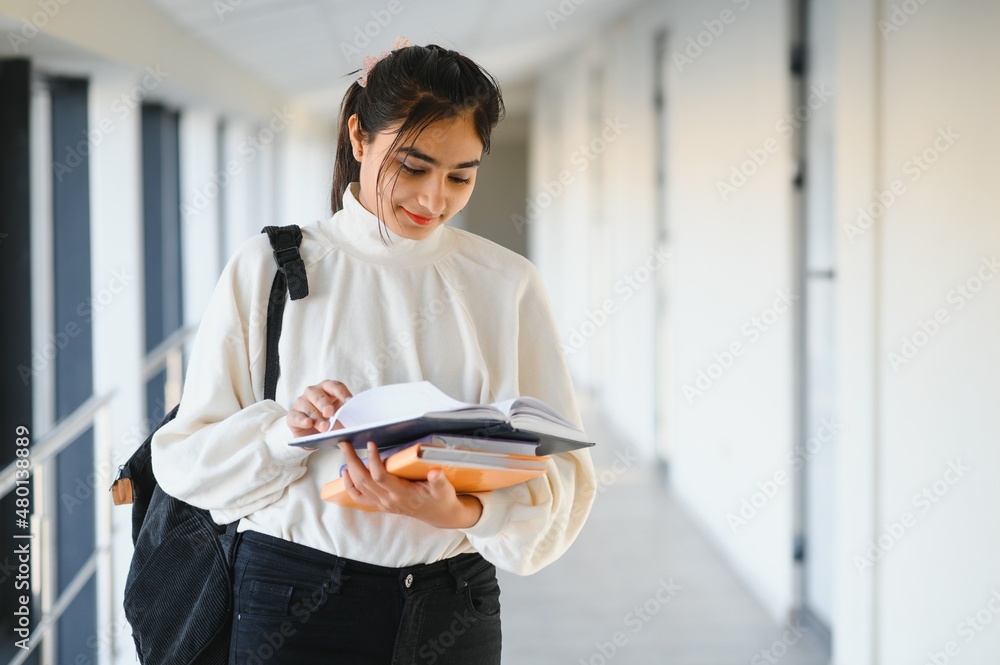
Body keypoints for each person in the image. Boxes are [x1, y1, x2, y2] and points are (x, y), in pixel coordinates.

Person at [151, 40, 596, 664]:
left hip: (454, 604)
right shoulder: (271, 269)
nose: (433, 199)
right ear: (359, 137)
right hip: (292, 600)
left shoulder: (505, 283)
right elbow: (186, 460)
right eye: (413, 167)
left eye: (460, 176)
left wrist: (463, 510)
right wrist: (286, 432)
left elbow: (563, 476)